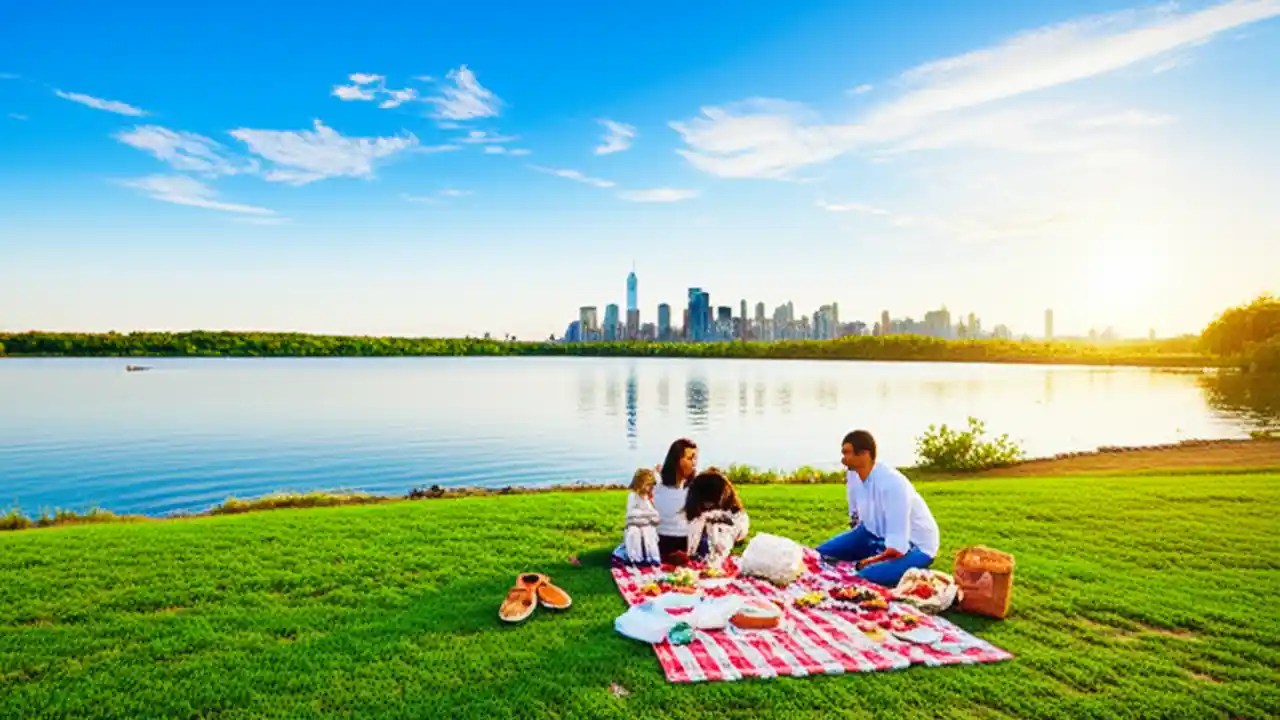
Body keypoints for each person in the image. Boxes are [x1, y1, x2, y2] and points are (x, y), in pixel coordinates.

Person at [816, 429, 939, 587]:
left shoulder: (893, 485)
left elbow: (898, 549)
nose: (843, 460)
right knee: (815, 555)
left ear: (864, 455)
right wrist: (855, 544)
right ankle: (875, 554)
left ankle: (904, 569)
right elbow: (855, 519)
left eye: (847, 453)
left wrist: (865, 562)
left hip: (915, 546)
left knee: (858, 579)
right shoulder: (853, 475)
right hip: (872, 533)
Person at [684, 468, 750, 568]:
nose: (708, 505)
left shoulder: (735, 516)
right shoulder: (693, 516)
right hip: (694, 562)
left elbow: (738, 535)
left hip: (716, 563)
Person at [654, 437, 698, 562]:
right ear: (677, 461)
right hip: (676, 540)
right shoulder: (658, 487)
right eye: (690, 458)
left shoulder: (657, 484)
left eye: (695, 458)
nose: (694, 463)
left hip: (661, 542)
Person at [622, 468, 661, 566]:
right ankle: (635, 558)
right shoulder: (633, 496)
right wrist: (645, 515)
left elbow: (654, 514)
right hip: (634, 523)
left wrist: (650, 517)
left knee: (648, 531)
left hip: (645, 523)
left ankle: (651, 557)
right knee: (634, 532)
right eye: (648, 485)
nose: (650, 488)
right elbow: (631, 514)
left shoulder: (647, 498)